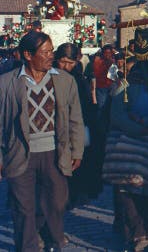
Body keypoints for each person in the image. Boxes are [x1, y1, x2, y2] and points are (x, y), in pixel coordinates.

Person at [0, 31, 84, 251]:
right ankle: (27, 246)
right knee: (23, 207)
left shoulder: (65, 81)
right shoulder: (7, 83)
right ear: (28, 55)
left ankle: (51, 238)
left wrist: (77, 151)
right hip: (19, 154)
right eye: (45, 52)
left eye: (51, 51)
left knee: (57, 202)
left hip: (55, 153)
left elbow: (75, 118)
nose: (50, 56)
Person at [106, 61, 148, 251]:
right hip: (127, 148)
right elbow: (117, 117)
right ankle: (135, 234)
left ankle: (141, 231)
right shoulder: (122, 89)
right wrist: (140, 129)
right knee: (128, 192)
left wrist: (145, 122)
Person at [54, 43, 94, 208]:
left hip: (76, 128)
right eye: (63, 62)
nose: (66, 66)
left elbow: (84, 107)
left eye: (70, 63)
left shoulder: (77, 78)